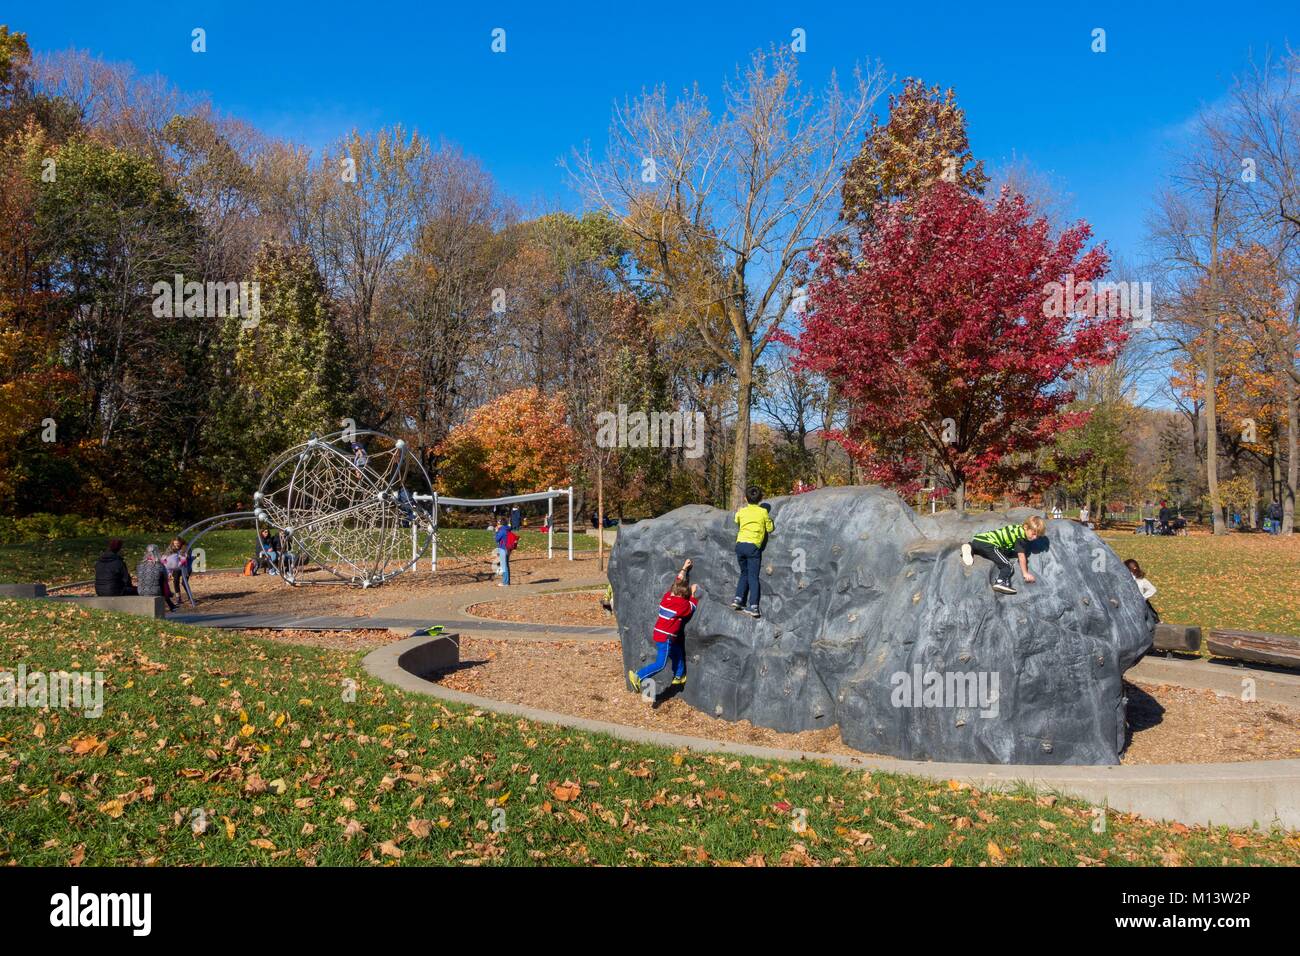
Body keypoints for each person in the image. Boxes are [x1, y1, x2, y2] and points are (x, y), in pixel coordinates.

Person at [628, 559, 697, 693]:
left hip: (661, 633)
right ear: (682, 596)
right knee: (660, 664)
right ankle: (638, 676)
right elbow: (691, 607)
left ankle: (679, 675)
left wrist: (684, 568)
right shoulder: (681, 604)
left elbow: (677, 581)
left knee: (676, 650)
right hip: (665, 637)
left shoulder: (667, 597)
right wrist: (693, 594)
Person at [960, 515, 1047, 595]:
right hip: (989, 544)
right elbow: (1021, 556)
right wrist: (1025, 573)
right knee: (1007, 565)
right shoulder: (1020, 537)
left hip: (979, 540)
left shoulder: (1016, 528)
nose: (1035, 538)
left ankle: (970, 547)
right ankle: (1000, 582)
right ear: (1025, 527)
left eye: (1038, 536)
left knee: (991, 550)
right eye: (1034, 534)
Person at [731, 486, 774, 618]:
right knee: (753, 577)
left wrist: (739, 512)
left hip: (740, 545)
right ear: (761, 499)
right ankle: (754, 606)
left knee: (744, 572)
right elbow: (770, 528)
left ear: (745, 498)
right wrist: (770, 521)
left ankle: (738, 599)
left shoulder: (742, 512)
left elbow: (736, 520)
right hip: (753, 547)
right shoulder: (763, 512)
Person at [136, 544, 175, 612]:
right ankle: (170, 602)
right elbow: (166, 579)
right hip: (155, 591)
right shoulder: (159, 565)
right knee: (162, 582)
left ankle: (171, 604)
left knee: (158, 580)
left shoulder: (140, 565)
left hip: (140, 591)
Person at [1124, 558, 1160, 623]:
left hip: (1139, 606)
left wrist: (1142, 597)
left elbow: (1153, 589)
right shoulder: (1125, 580)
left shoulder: (1141, 580)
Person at [163, 537, 195, 607]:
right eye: (175, 544)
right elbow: (167, 560)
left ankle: (190, 598)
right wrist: (169, 571)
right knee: (176, 581)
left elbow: (185, 558)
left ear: (181, 542)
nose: (176, 545)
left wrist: (184, 558)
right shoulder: (171, 548)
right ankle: (179, 598)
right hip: (177, 567)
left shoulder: (186, 548)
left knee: (184, 582)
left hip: (186, 567)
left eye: (178, 543)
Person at [494, 517, 517, 586]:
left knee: (504, 566)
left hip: (503, 549)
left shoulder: (502, 530)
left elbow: (497, 539)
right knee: (506, 565)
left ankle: (505, 582)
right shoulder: (507, 529)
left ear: (501, 524)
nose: (497, 524)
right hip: (507, 549)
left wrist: (496, 531)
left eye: (498, 523)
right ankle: (507, 581)